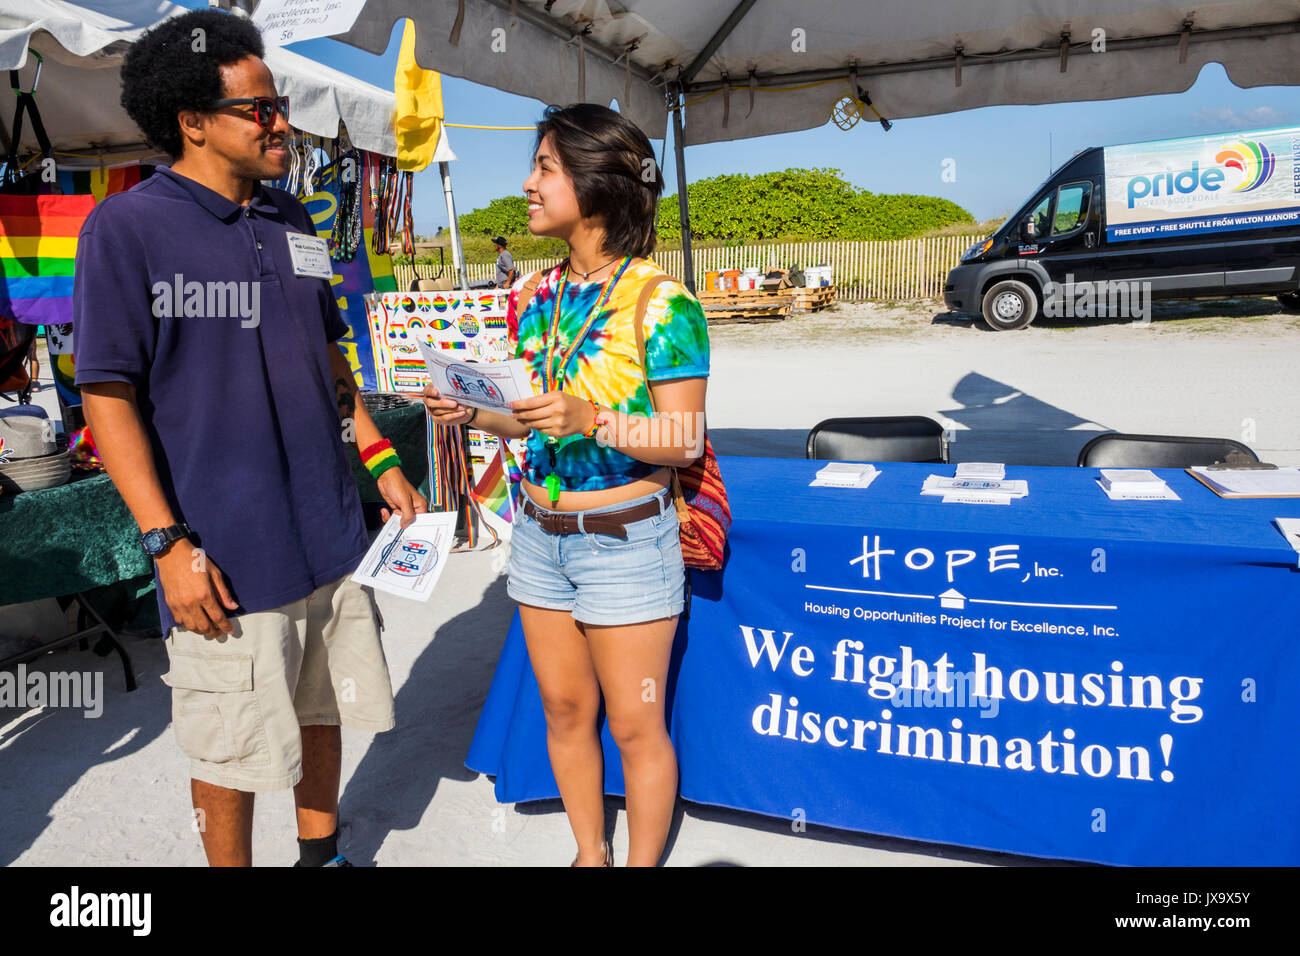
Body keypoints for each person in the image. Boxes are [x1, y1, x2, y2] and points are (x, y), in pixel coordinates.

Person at [74, 9, 428, 867]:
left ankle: (323, 856)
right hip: (225, 556)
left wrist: (378, 459)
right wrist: (166, 544)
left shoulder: (293, 219)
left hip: (332, 537)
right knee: (227, 747)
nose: (282, 123)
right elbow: (106, 395)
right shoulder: (127, 229)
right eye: (259, 108)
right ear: (192, 122)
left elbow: (330, 360)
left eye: (279, 105)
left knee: (321, 708)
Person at [424, 104, 709, 866]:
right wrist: (475, 416)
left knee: (635, 724)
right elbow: (529, 423)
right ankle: (592, 852)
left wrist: (595, 417)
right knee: (562, 708)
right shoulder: (530, 296)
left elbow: (685, 441)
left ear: (598, 182)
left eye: (545, 167)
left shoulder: (662, 301)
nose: (526, 184)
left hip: (626, 538)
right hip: (539, 537)